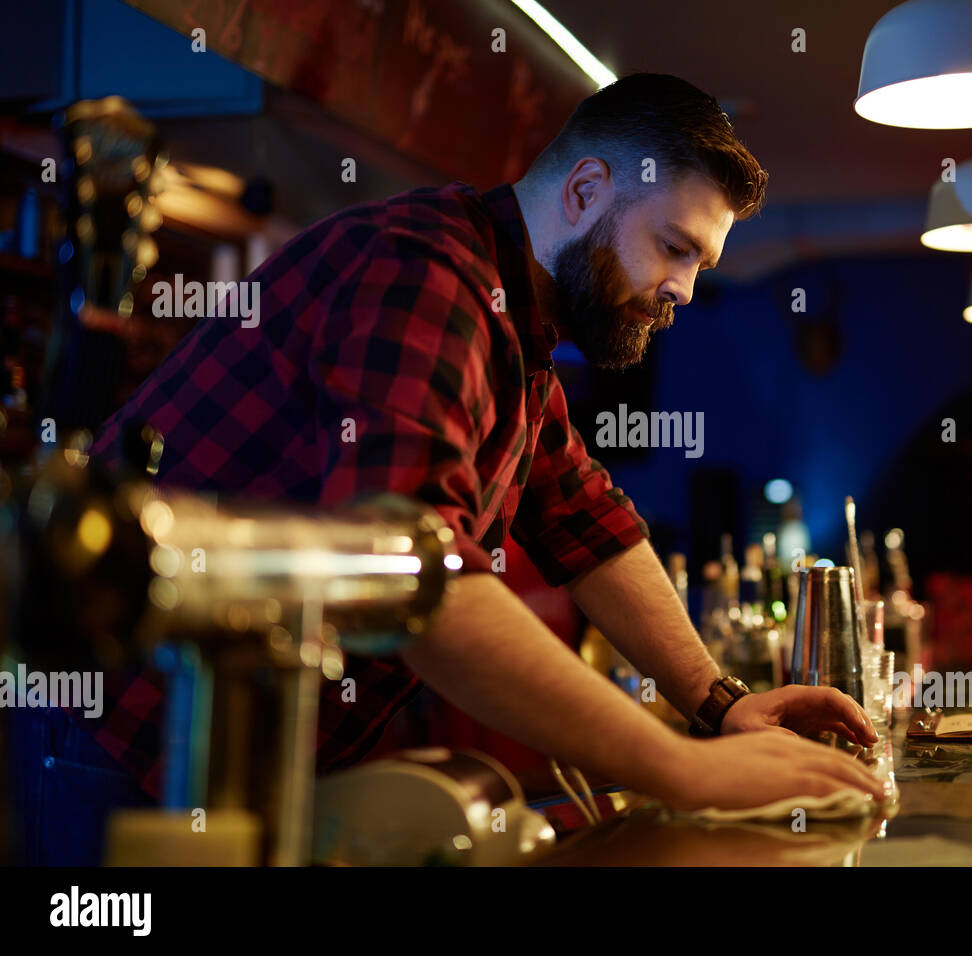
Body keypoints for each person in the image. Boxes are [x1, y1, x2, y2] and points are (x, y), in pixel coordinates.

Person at [12, 74, 880, 864]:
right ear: (586, 192)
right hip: (116, 733)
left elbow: (589, 524)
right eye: (675, 247)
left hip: (233, 743)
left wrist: (721, 705)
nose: (683, 290)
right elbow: (420, 589)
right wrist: (690, 773)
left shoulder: (516, 327)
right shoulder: (422, 275)